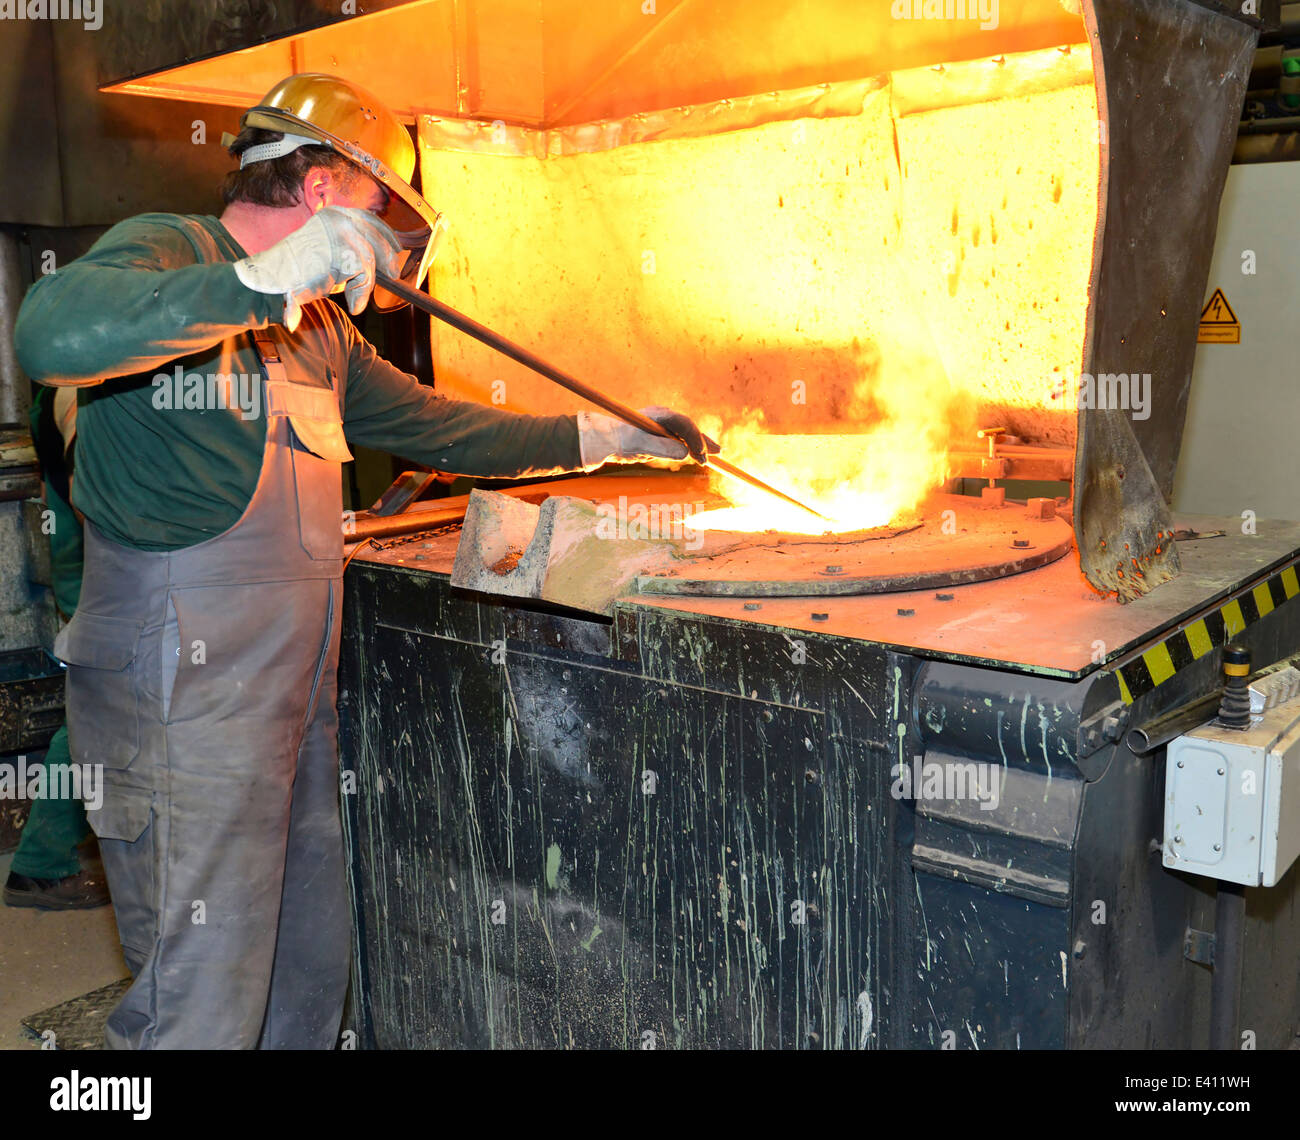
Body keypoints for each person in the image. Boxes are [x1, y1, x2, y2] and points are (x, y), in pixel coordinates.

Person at [13, 72, 710, 1049]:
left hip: (289, 711)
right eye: (378, 200)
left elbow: (442, 428)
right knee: (203, 999)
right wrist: (262, 277)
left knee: (304, 973)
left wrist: (609, 437)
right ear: (326, 186)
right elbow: (51, 331)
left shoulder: (321, 336)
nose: (383, 230)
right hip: (179, 707)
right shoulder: (174, 251)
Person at [3, 387, 110, 910]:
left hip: (89, 563)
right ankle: (40, 865)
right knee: (93, 711)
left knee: (95, 709)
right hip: (98, 568)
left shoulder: (64, 385)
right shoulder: (76, 386)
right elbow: (93, 495)